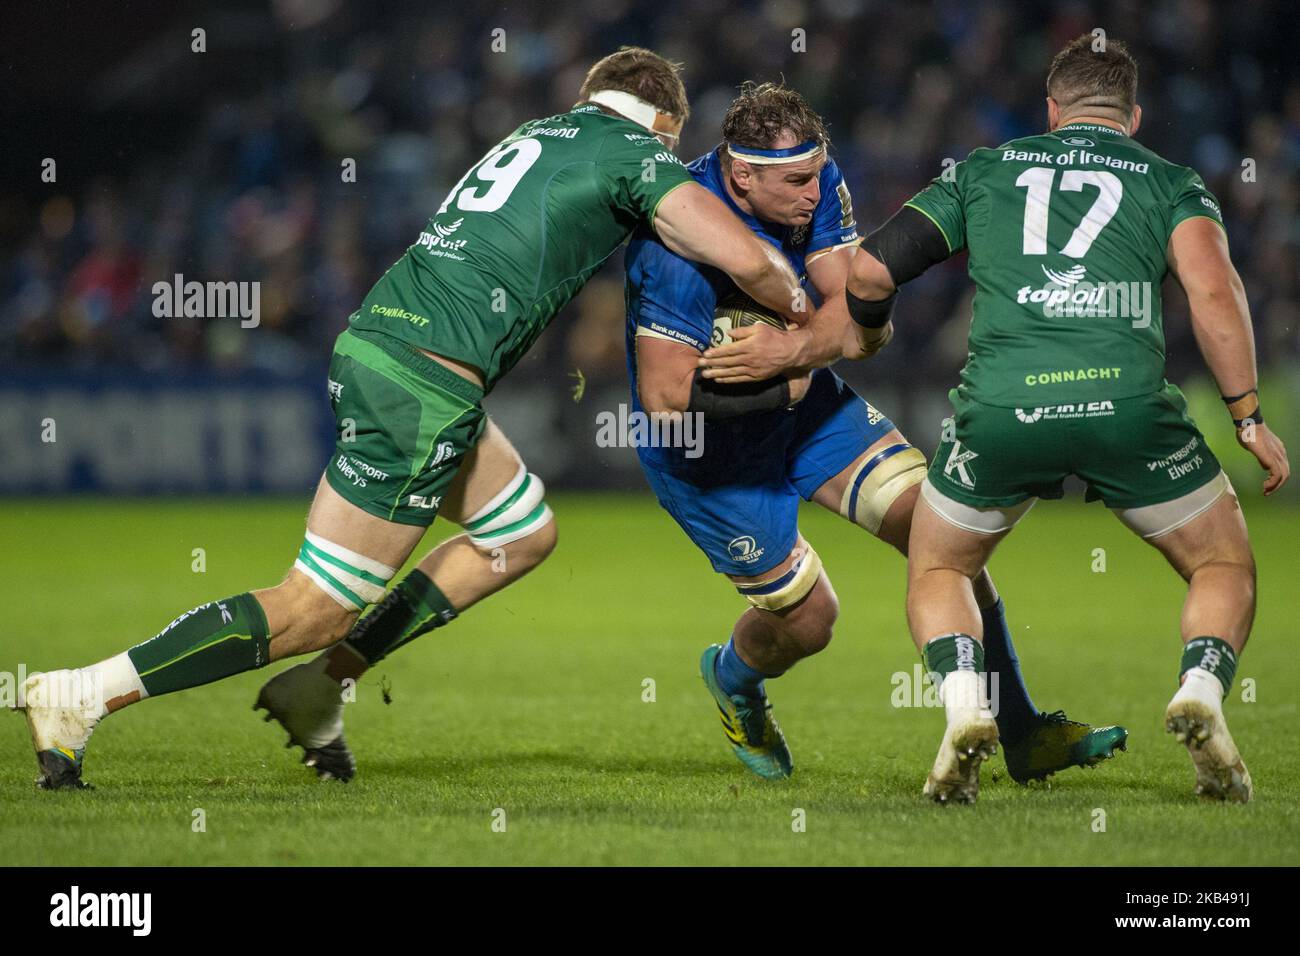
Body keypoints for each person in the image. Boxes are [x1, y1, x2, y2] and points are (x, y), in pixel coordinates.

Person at [17, 47, 816, 789]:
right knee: (314, 605)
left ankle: (319, 692)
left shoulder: (543, 132)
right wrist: (808, 325)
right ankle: (84, 692)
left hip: (386, 350)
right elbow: (746, 259)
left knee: (521, 535)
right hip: (423, 387)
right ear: (663, 128)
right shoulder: (634, 151)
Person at [836, 36, 1289, 803]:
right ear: (1133, 115)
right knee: (1223, 563)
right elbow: (1216, 293)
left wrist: (871, 327)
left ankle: (964, 708)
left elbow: (871, 267)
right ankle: (1203, 691)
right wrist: (1246, 416)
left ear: (1051, 111)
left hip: (1004, 411)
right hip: (1128, 412)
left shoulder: (985, 169)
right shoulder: (1170, 180)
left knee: (941, 566)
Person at [629, 82, 1126, 781]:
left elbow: (858, 313)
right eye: (795, 180)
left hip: (808, 415)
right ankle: (734, 679)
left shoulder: (816, 180)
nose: (813, 191)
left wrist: (796, 356)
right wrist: (791, 369)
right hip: (710, 459)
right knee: (811, 623)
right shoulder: (674, 243)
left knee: (945, 538)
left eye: (815, 173)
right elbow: (663, 396)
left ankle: (1022, 731)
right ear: (742, 175)